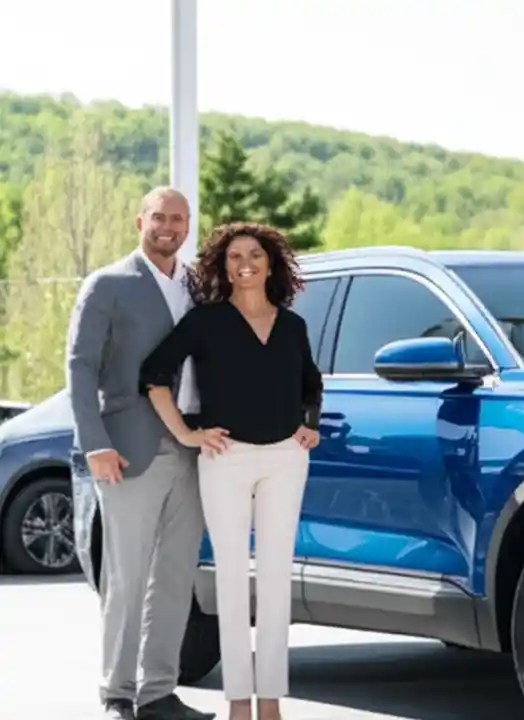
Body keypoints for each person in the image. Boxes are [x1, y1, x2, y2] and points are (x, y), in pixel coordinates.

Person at [139, 221, 322, 720]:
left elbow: (311, 384)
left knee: (276, 578)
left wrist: (310, 425)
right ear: (223, 266)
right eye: (235, 256)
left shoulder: (292, 325)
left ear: (270, 263)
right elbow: (154, 375)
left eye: (255, 255)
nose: (246, 263)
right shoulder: (206, 322)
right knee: (233, 581)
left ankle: (271, 704)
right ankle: (239, 702)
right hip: (226, 458)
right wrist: (186, 434)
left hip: (286, 459)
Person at [66, 186, 215, 720]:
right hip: (127, 449)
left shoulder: (199, 286)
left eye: (178, 218)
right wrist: (95, 444)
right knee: (126, 577)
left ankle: (158, 691)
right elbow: (80, 368)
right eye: (159, 217)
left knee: (176, 575)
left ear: (188, 224)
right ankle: (117, 694)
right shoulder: (107, 284)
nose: (168, 226)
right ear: (140, 221)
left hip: (193, 449)